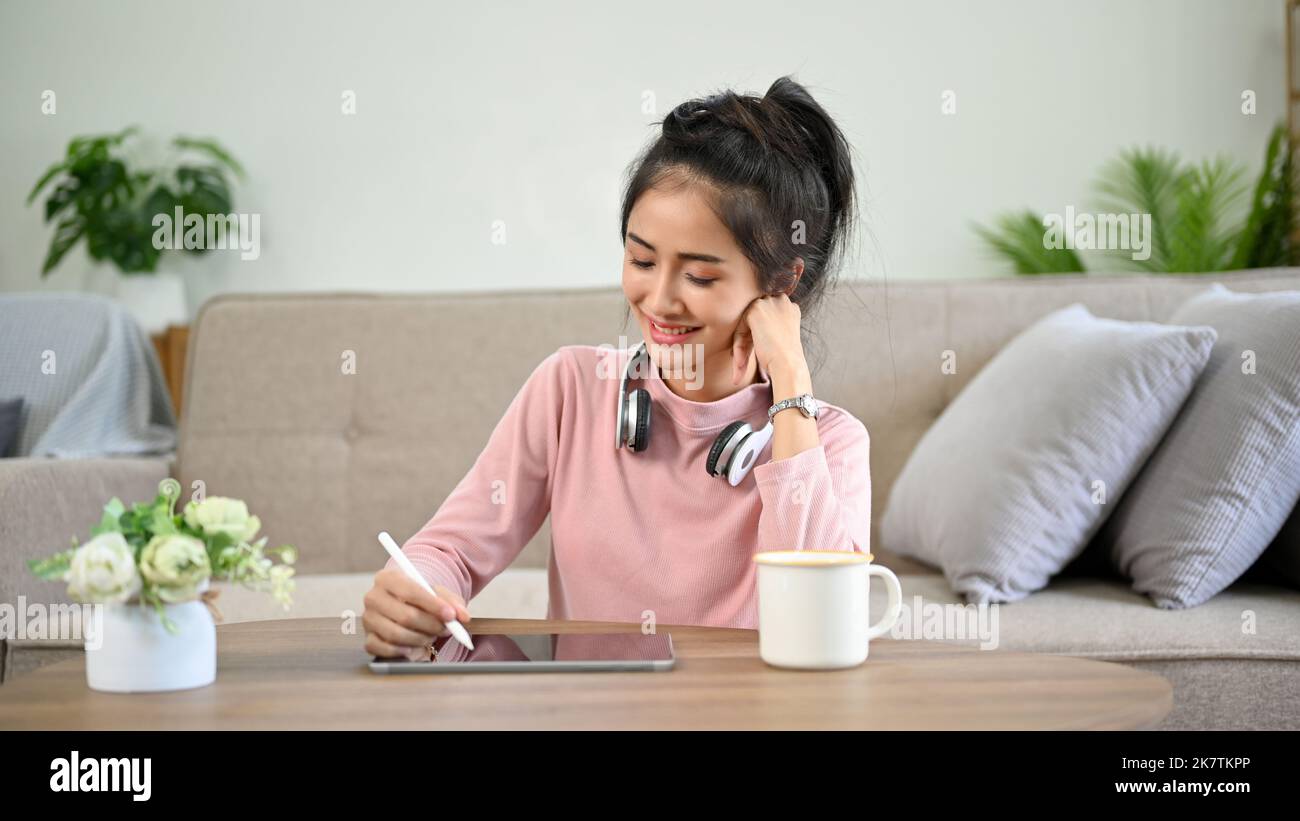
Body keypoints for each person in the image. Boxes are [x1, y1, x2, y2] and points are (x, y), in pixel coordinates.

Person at [363, 75, 869, 660]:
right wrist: (415, 592)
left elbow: (821, 630)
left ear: (781, 285)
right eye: (641, 259)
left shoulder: (828, 442)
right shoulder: (571, 389)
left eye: (700, 276)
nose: (658, 300)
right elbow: (449, 553)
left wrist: (790, 381)